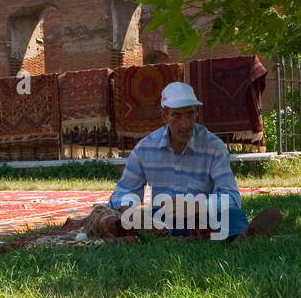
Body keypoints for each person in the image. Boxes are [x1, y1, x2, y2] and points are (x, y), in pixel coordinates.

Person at [98, 81, 282, 241]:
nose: (185, 124)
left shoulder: (213, 147)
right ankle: (231, 238)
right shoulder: (145, 149)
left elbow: (232, 197)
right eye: (177, 116)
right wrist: (130, 209)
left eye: (190, 114)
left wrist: (196, 207)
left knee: (233, 214)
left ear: (197, 114)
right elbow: (123, 192)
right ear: (164, 116)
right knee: (135, 221)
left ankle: (241, 238)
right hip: (162, 220)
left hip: (203, 216)